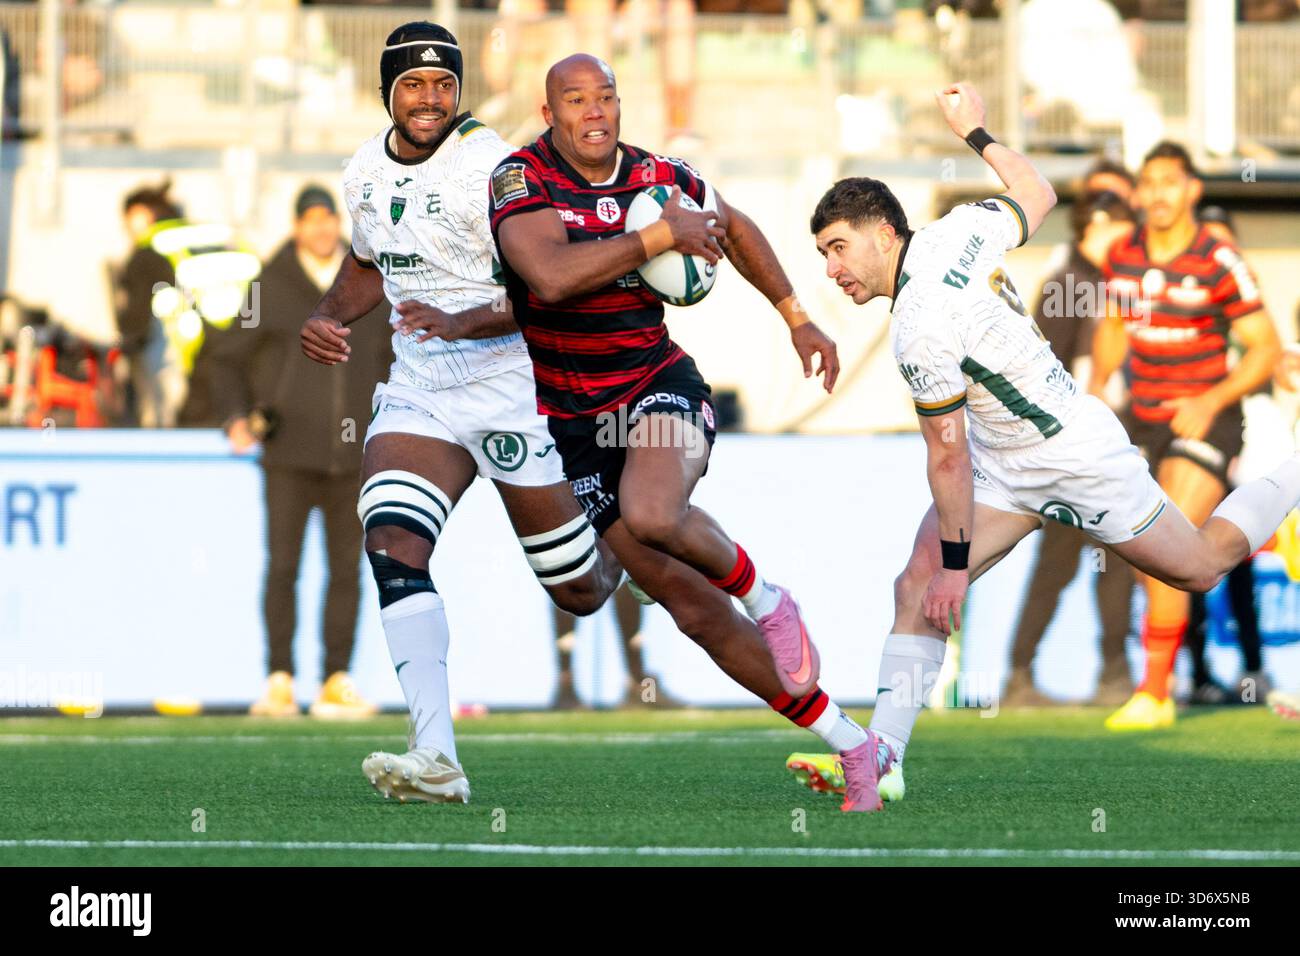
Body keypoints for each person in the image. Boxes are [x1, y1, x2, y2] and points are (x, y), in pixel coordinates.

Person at [793, 82, 1300, 813]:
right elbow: (1035, 190)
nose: (832, 269)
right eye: (822, 254)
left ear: (882, 234)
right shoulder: (963, 227)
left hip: (1073, 454)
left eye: (838, 248)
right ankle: (885, 760)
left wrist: (960, 571)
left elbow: (946, 458)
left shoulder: (919, 328)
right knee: (914, 583)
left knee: (1199, 567)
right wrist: (976, 132)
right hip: (1008, 462)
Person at [490, 54, 884, 807]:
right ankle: (856, 748)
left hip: (658, 388)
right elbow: (546, 279)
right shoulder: (521, 179)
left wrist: (797, 316)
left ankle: (771, 601)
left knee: (652, 512)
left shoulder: (660, 177)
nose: (595, 111)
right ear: (549, 116)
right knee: (697, 612)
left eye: (606, 95)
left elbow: (730, 226)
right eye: (576, 100)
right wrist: (660, 238)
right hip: (576, 427)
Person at [300, 23, 626, 805]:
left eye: (444, 83)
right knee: (391, 539)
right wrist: (329, 316)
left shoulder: (496, 169)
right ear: (388, 91)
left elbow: (552, 284)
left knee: (580, 589)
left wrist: (466, 322)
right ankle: (435, 755)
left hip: (516, 385)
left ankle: (634, 533)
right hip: (422, 389)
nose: (430, 98)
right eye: (413, 84)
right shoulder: (362, 173)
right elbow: (372, 262)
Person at [1091, 142, 1281, 730]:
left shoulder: (1218, 257)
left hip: (1206, 419)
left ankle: (1155, 692)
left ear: (1192, 189)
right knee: (1162, 554)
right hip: (1142, 421)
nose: (1157, 194)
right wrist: (1095, 394)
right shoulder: (1123, 254)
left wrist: (1211, 397)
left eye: (1168, 182)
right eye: (1148, 183)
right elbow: (1116, 327)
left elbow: (1266, 347)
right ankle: (1170, 677)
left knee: (1165, 541)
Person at [213, 185, 393, 719]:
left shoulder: (367, 280)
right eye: (309, 219)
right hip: (288, 453)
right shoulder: (268, 286)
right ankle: (279, 682)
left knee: (347, 570)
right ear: (296, 226)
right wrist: (236, 416)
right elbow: (222, 357)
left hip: (354, 455)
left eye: (326, 218)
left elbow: (394, 356)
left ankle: (336, 680)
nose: (320, 228)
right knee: (284, 567)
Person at [1003, 189, 1138, 708]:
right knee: (1058, 564)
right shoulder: (1070, 284)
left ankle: (1113, 673)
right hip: (1069, 450)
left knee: (1117, 560)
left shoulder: (1114, 284)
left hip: (1107, 449)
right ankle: (1020, 674)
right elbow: (1040, 366)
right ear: (1099, 227)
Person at [1181, 204, 1269, 706]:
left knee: (1241, 564)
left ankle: (1254, 670)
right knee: (1184, 561)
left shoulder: (1248, 308)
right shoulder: (1179, 301)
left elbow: (1271, 366)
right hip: (1190, 448)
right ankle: (1196, 673)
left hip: (1244, 451)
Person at [112, 183, 186, 428]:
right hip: (210, 355)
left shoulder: (148, 252)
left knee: (158, 419)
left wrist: (126, 345)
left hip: (167, 357)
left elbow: (137, 315)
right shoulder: (186, 245)